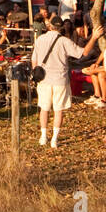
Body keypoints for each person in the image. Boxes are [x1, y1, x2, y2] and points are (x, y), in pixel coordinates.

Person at [31, 15, 83, 149]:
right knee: (58, 110)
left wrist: (36, 75)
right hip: (60, 79)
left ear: (49, 26)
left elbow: (34, 60)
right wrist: (93, 38)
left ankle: (43, 136)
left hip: (44, 79)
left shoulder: (40, 39)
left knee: (44, 108)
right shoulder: (65, 41)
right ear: (61, 28)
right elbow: (80, 53)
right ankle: (54, 139)